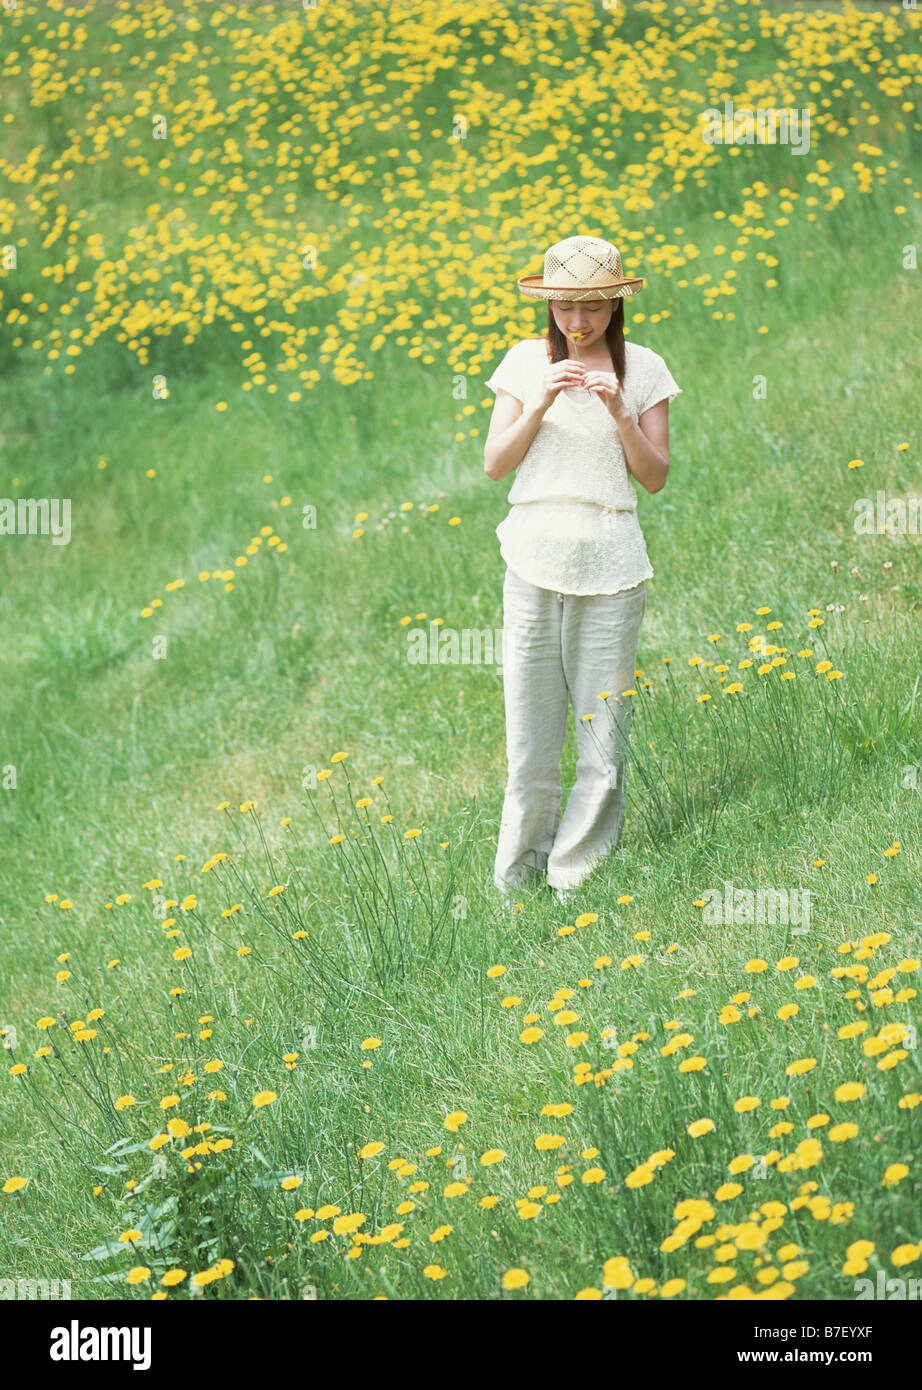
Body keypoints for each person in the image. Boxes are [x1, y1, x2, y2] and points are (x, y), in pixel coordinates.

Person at [484, 235, 682, 901]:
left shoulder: (645, 368)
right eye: (566, 306)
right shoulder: (522, 363)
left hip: (612, 563)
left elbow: (654, 478)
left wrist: (620, 410)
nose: (578, 321)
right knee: (531, 742)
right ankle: (517, 882)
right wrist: (541, 400)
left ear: (615, 304)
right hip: (534, 557)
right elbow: (495, 463)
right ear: (548, 305)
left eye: (592, 306)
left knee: (603, 741)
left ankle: (579, 878)